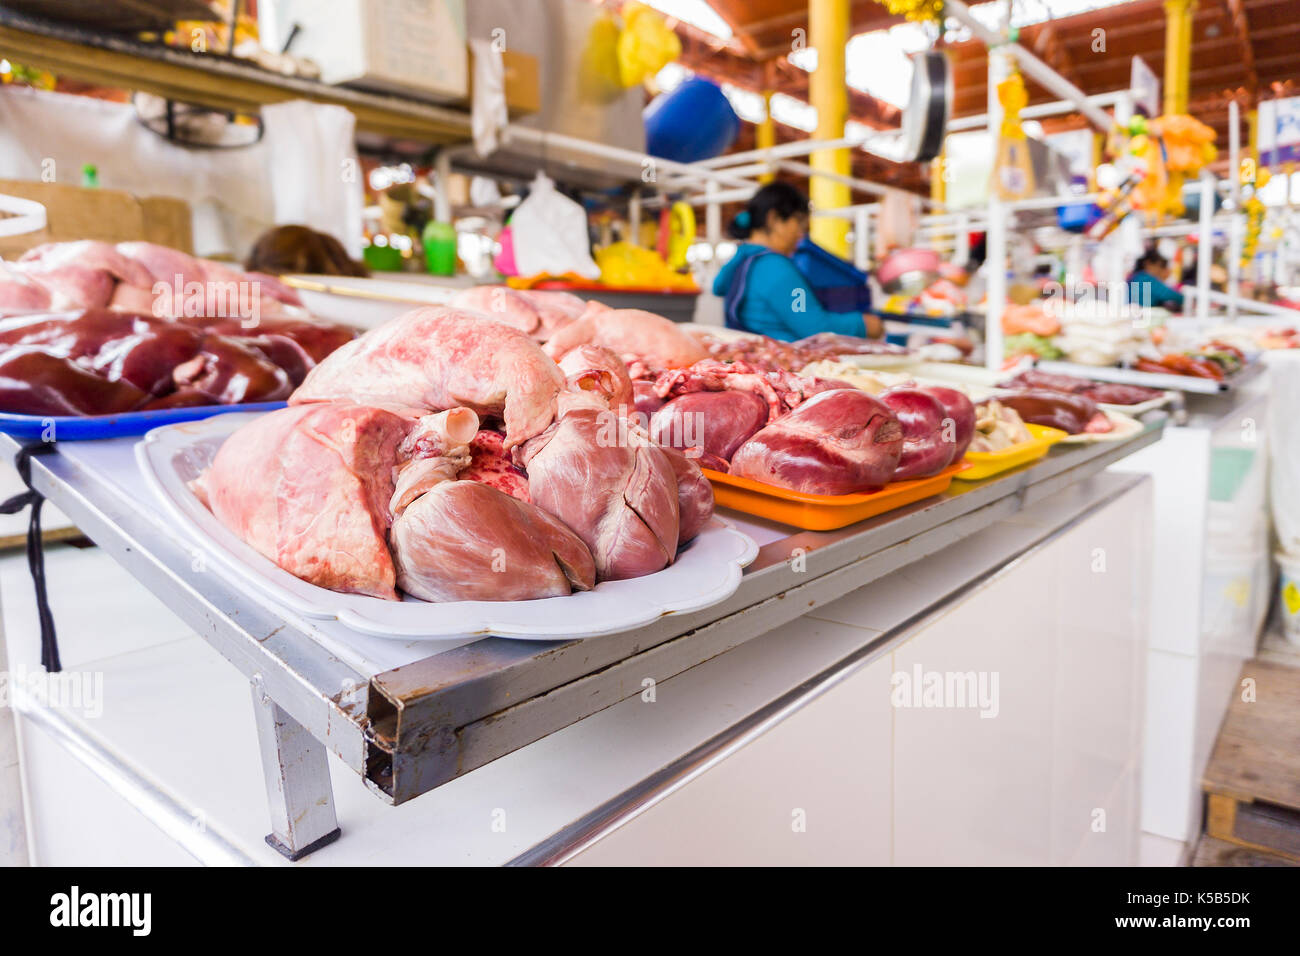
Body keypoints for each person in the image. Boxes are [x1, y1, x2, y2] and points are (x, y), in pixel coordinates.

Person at [712, 182, 881, 341]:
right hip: (780, 366)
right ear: (774, 219)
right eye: (799, 223)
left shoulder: (740, 261)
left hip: (749, 360)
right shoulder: (775, 267)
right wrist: (864, 324)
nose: (801, 234)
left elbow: (718, 288)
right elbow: (813, 326)